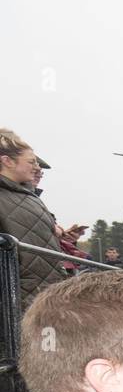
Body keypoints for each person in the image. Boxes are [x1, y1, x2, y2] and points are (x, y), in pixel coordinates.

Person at [0, 128, 64, 309]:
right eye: (31, 162)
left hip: (44, 297)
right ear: (7, 161)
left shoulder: (30, 197)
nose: (37, 167)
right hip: (16, 303)